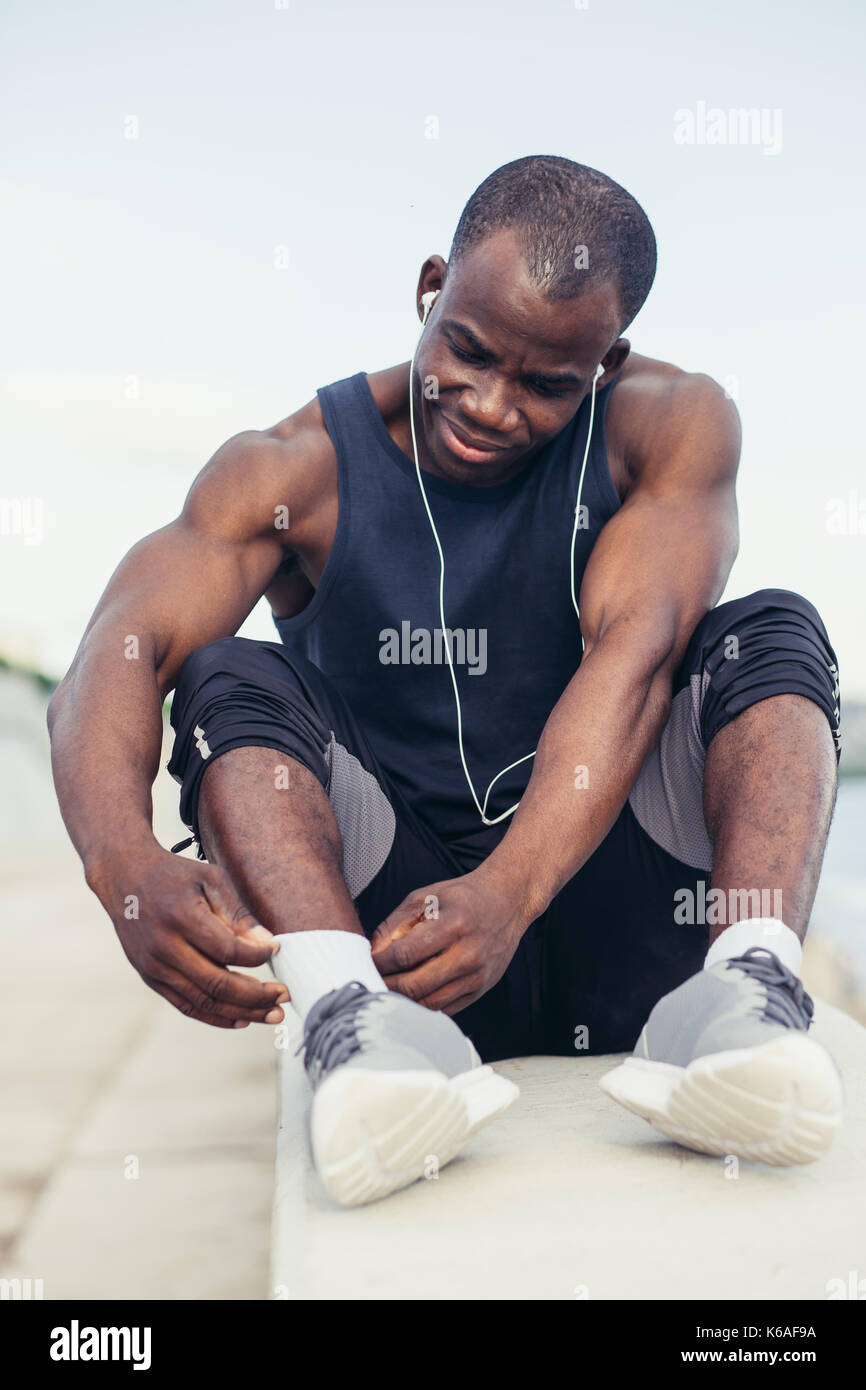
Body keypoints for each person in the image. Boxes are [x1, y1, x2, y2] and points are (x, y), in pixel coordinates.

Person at [48, 156, 843, 1207]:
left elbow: (637, 656)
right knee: (229, 673)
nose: (488, 404)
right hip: (399, 942)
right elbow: (120, 648)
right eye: (464, 351)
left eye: (544, 384)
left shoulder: (670, 424)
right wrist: (122, 860)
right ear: (430, 287)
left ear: (607, 361)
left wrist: (510, 891)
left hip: (616, 907)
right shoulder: (293, 469)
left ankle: (745, 991)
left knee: (771, 633)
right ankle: (352, 1033)